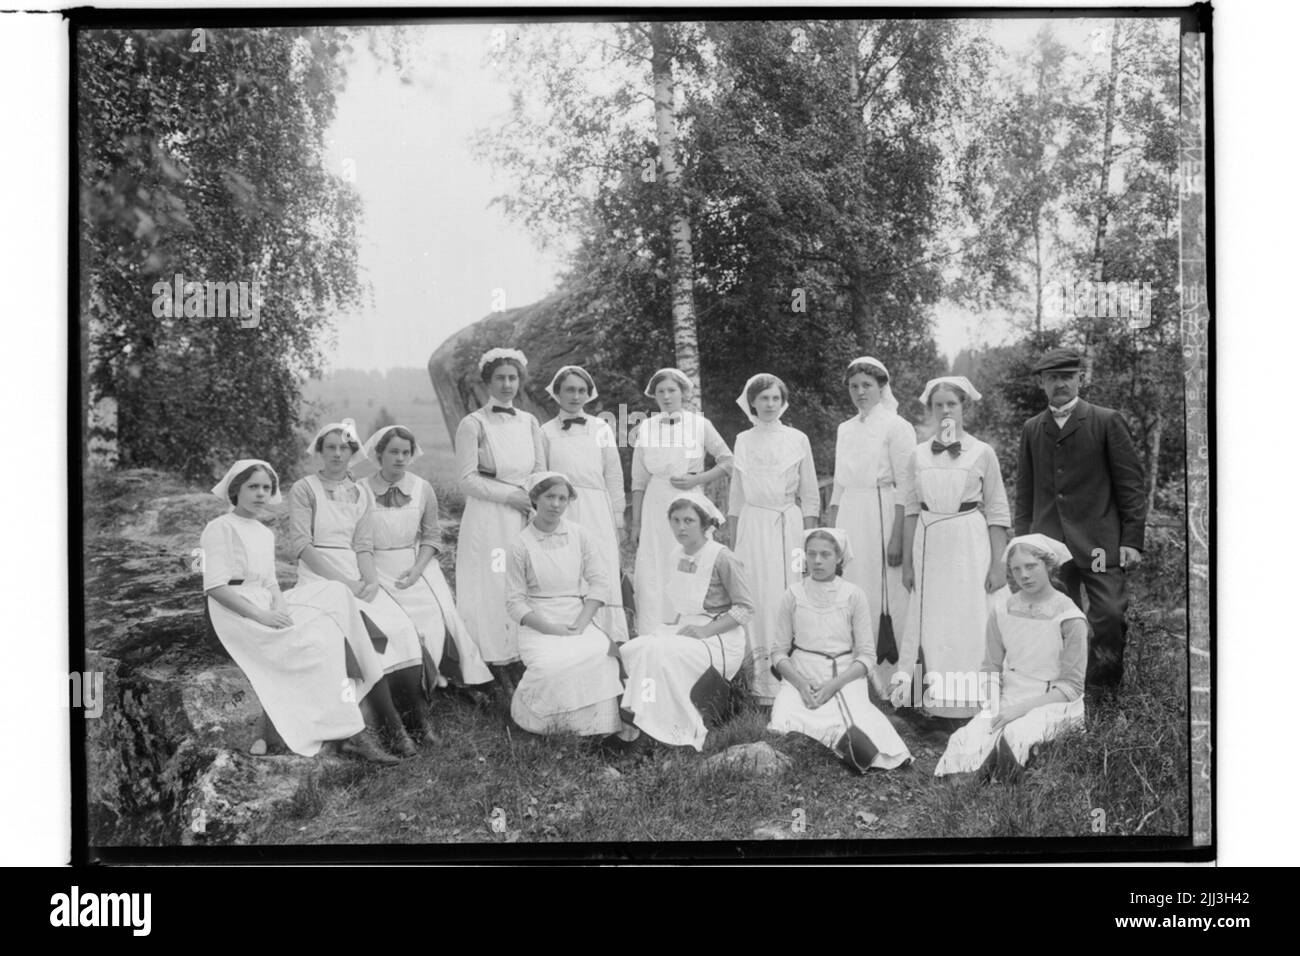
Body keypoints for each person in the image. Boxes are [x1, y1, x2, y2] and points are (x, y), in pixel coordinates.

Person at [200, 459, 400, 765]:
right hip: (233, 614)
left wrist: (279, 606)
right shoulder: (219, 527)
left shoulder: (263, 532)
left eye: (267, 488)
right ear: (236, 489)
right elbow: (215, 587)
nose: (260, 494)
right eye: (253, 486)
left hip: (265, 603)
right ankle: (352, 735)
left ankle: (362, 680)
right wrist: (261, 616)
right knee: (313, 645)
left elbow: (270, 582)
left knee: (334, 594)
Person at [289, 419, 426, 756]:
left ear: (353, 452)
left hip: (356, 573)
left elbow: (363, 546)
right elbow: (302, 545)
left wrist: (371, 581)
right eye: (330, 447)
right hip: (319, 577)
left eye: (345, 448)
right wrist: (345, 583)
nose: (338, 453)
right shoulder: (304, 489)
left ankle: (419, 723)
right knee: (365, 636)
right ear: (319, 450)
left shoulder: (360, 491)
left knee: (400, 627)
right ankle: (395, 732)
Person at [1015, 347, 1147, 694]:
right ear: (1042, 383)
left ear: (1080, 379)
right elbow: (1025, 493)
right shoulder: (1032, 429)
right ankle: (1063, 692)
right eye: (1053, 378)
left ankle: (1103, 693)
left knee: (1109, 615)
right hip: (1050, 547)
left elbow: (1130, 485)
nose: (1061, 384)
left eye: (1068, 376)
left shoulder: (1105, 420)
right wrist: (1022, 546)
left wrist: (1131, 540)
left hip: (1100, 543)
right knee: (1054, 619)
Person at [890, 377, 1010, 722]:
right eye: (938, 404)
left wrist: (998, 565)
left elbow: (998, 510)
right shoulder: (917, 454)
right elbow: (912, 509)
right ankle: (922, 704)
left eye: (951, 404)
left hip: (969, 545)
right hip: (929, 545)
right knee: (928, 620)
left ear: (963, 409)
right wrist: (910, 566)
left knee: (968, 618)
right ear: (930, 409)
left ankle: (973, 706)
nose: (945, 410)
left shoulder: (982, 452)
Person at [361, 425, 494, 719]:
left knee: (438, 615)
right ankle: (402, 689)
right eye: (393, 452)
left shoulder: (422, 488)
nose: (400, 458)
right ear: (379, 454)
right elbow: (356, 541)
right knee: (393, 623)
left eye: (405, 453)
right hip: (374, 566)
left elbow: (432, 537)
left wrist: (418, 569)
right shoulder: (360, 490)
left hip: (416, 563)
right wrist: (369, 575)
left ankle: (441, 683)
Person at [934, 534, 1088, 781]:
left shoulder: (1069, 617)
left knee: (1015, 736)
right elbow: (991, 665)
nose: (1023, 575)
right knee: (966, 739)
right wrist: (994, 703)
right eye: (1016, 570)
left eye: (1030, 566)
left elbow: (1071, 686)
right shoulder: (1002, 610)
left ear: (1048, 566)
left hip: (1052, 701)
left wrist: (1020, 709)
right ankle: (983, 775)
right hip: (1009, 696)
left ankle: (1017, 774)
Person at [768, 528, 912, 771]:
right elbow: (778, 652)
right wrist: (801, 684)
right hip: (802, 672)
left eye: (825, 554)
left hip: (844, 675)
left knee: (857, 723)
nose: (817, 561)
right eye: (811, 554)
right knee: (784, 719)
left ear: (839, 558)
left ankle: (853, 746)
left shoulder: (853, 595)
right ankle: (816, 742)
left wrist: (833, 686)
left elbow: (867, 656)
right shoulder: (792, 595)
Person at [618, 496, 754, 751]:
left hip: (719, 638)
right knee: (634, 649)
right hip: (686, 629)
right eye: (676, 520)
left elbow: (745, 609)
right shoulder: (676, 554)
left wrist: (705, 631)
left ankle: (668, 732)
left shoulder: (722, 558)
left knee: (658, 655)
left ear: (704, 524)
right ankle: (640, 720)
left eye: (689, 521)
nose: (681, 527)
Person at [505, 472, 625, 737]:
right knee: (552, 666)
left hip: (576, 615)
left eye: (562, 498)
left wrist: (582, 623)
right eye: (549, 497)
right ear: (535, 498)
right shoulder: (519, 544)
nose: (556, 504)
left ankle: (598, 728)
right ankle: (544, 723)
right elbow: (514, 602)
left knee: (600, 656)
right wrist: (548, 629)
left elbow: (599, 582)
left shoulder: (580, 535)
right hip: (540, 620)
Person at [454, 347, 545, 698]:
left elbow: (540, 468)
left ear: (520, 381)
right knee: (492, 584)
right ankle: (492, 664)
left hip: (524, 514)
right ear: (487, 383)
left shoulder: (529, 422)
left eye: (513, 378)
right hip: (488, 516)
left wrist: (532, 499)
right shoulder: (473, 424)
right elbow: (466, 479)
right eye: (500, 378)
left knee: (522, 583)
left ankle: (521, 656)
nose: (507, 384)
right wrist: (510, 496)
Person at [725, 373, 819, 705]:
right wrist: (734, 546)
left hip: (789, 528)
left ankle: (795, 682)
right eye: (762, 398)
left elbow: (809, 496)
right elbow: (736, 498)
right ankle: (759, 684)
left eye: (774, 398)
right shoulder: (742, 439)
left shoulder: (798, 438)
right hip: (753, 528)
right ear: (751, 402)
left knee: (789, 595)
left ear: (783, 402)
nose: (768, 404)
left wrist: (809, 545)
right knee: (757, 597)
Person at [827, 356, 917, 698]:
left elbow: (907, 485)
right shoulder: (845, 428)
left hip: (883, 513)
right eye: (854, 386)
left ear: (882, 387)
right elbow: (838, 484)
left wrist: (896, 537)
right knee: (853, 590)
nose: (860, 392)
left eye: (867, 385)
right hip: (851, 513)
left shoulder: (897, 426)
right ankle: (856, 679)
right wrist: (832, 533)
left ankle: (895, 684)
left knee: (888, 596)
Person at [629, 367, 733, 636]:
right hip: (655, 507)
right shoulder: (646, 428)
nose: (666, 396)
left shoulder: (700, 424)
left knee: (689, 564)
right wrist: (636, 523)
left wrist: (697, 480)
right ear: (654, 396)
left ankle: (691, 630)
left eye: (671, 390)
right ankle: (653, 633)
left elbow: (728, 461)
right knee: (655, 568)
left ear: (684, 393)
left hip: (689, 504)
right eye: (660, 391)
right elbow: (639, 482)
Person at [540, 365, 629, 645]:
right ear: (557, 393)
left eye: (581, 390)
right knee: (568, 567)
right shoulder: (545, 432)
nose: (576, 396)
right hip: (562, 508)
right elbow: (540, 477)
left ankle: (610, 639)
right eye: (569, 389)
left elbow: (613, 473)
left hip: (597, 508)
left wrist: (618, 516)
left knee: (600, 567)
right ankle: (574, 636)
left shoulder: (600, 427)